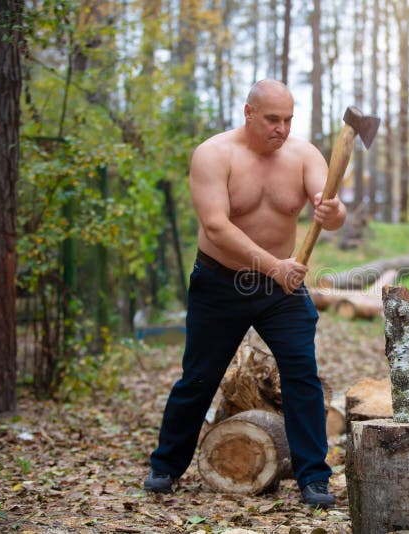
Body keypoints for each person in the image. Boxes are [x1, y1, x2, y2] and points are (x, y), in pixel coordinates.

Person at [143, 79, 345, 508]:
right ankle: (166, 465)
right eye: (272, 119)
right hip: (221, 282)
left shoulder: (304, 155)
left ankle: (313, 478)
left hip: (280, 289)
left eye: (288, 119)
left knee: (302, 375)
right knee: (199, 377)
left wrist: (333, 212)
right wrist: (275, 267)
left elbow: (332, 210)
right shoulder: (214, 154)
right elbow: (216, 226)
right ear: (248, 112)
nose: (282, 129)